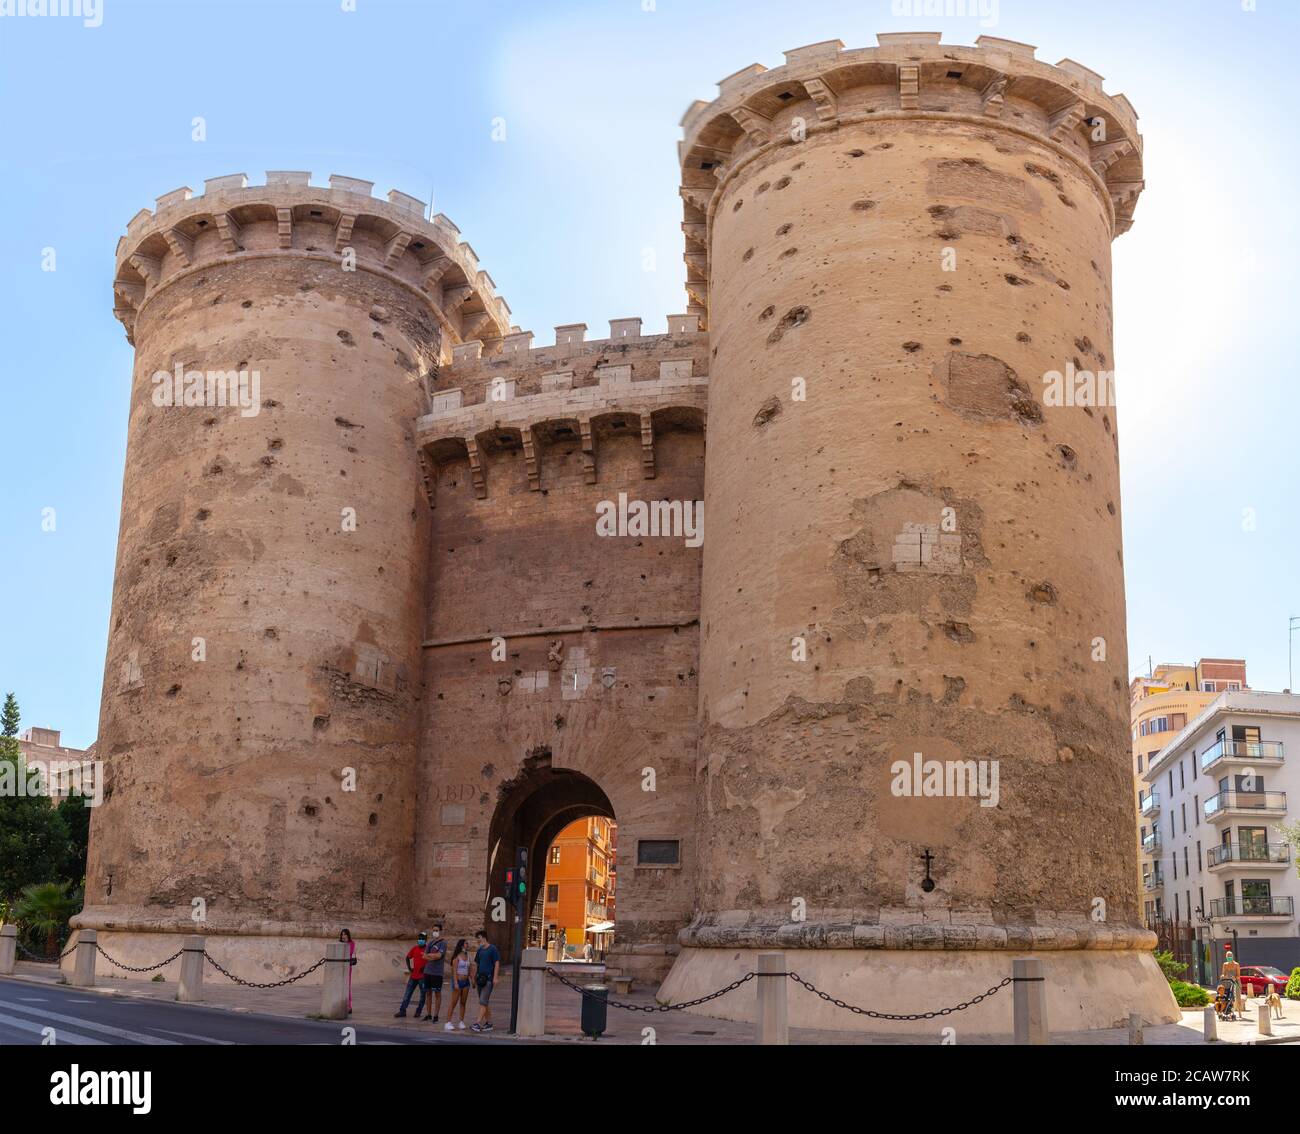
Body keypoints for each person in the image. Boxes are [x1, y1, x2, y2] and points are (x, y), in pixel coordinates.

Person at [470, 929, 500, 1033]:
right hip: (479, 979)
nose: (477, 940)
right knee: (484, 1003)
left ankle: (477, 1023)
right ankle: (489, 1023)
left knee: (482, 1001)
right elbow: (476, 964)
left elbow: (496, 963)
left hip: (488, 979)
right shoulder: (480, 950)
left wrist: (495, 977)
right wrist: (473, 978)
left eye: (478, 938)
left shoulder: (493, 949)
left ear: (483, 937)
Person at [395, 931, 429, 1018]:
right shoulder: (415, 948)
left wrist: (425, 968)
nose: (420, 940)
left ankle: (418, 1011)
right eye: (419, 938)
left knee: (422, 995)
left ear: (425, 940)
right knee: (407, 993)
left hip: (423, 977)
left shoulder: (428, 949)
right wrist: (410, 968)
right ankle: (402, 1010)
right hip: (413, 976)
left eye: (422, 939)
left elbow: (431, 960)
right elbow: (407, 957)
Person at [421, 923, 447, 1022]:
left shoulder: (443, 943)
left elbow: (439, 956)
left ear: (440, 931)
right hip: (428, 971)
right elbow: (424, 956)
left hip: (437, 972)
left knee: (437, 994)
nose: (435, 932)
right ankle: (428, 1014)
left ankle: (436, 1015)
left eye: (436, 930)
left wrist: (429, 956)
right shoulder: (430, 943)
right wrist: (432, 956)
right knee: (428, 993)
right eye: (434, 930)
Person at [445, 938, 471, 1031]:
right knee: (454, 1002)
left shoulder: (468, 956)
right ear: (462, 945)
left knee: (463, 1003)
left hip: (466, 982)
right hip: (458, 982)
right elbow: (454, 971)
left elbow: (469, 969)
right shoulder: (456, 957)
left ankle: (461, 1021)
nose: (467, 945)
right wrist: (455, 982)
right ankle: (448, 1022)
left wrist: (472, 980)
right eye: (466, 943)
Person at [339, 928, 356, 1016]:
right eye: (342, 934)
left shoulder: (351, 944)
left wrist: (345, 943)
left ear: (348, 935)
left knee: (347, 986)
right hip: (339, 967)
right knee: (340, 986)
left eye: (345, 934)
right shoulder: (339, 944)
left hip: (347, 967)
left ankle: (349, 1006)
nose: (343, 936)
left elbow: (349, 952)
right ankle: (341, 1004)